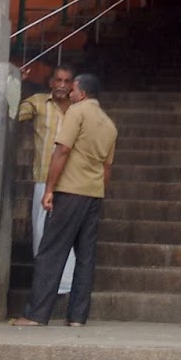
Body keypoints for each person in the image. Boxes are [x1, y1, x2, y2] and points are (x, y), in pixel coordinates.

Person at [12, 72, 117, 328]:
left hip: (70, 191)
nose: (69, 93)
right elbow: (107, 168)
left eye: (73, 89)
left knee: (50, 250)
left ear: (81, 93)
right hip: (93, 194)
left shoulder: (77, 112)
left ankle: (37, 314)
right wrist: (97, 191)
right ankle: (77, 317)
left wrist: (49, 188)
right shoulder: (109, 124)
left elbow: (63, 150)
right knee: (85, 256)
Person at [18, 64, 76, 297]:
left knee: (69, 233)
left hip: (72, 180)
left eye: (67, 81)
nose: (62, 85)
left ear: (73, 85)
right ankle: (45, 283)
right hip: (43, 177)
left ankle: (66, 285)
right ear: (51, 82)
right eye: (58, 80)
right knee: (41, 232)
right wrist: (17, 84)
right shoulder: (38, 102)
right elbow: (13, 112)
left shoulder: (78, 108)